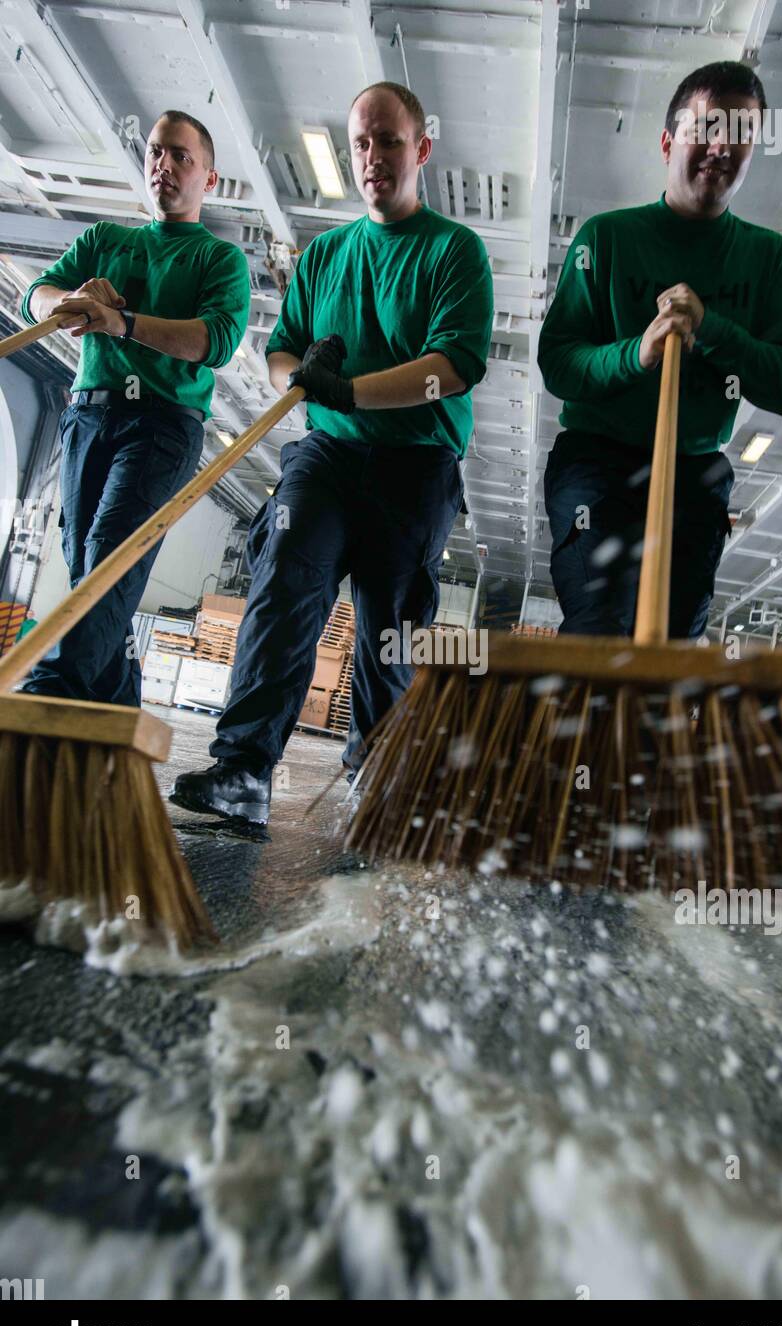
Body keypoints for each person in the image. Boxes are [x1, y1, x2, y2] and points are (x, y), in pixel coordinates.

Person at [171, 81, 494, 827]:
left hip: (417, 463)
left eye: (388, 141)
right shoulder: (324, 256)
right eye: (360, 143)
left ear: (422, 149)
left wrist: (343, 390)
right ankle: (244, 770)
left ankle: (376, 779)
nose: (373, 156)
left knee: (388, 629)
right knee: (284, 581)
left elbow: (452, 366)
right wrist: (302, 378)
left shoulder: (454, 251)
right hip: (327, 456)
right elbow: (281, 356)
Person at [538, 61, 782, 639]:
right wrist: (635, 353)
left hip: (695, 469)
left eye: (739, 133)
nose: (720, 146)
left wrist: (712, 329)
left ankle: (653, 731)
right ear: (668, 142)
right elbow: (559, 363)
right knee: (600, 627)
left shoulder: (772, 260)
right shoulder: (606, 238)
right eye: (706, 128)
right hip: (597, 462)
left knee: (674, 644)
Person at [18, 110, 250, 706]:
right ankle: (118, 714)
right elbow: (33, 297)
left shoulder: (219, 261)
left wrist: (119, 323)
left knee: (109, 557)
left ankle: (53, 690)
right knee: (85, 565)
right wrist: (69, 300)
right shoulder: (103, 241)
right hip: (87, 415)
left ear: (210, 179)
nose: (163, 166)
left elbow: (214, 342)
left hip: (162, 426)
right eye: (154, 152)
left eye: (181, 157)